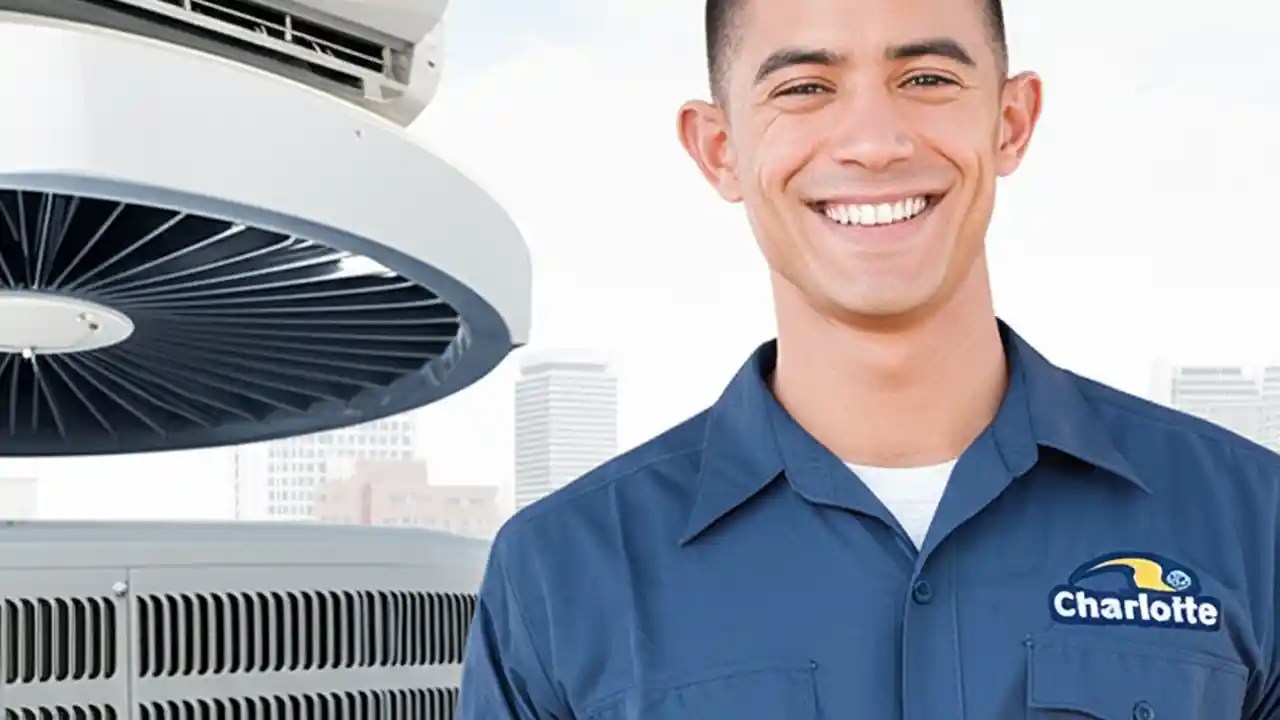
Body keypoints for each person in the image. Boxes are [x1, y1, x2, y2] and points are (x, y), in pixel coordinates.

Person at [457, 0, 1280, 716]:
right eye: (805, 88)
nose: (874, 143)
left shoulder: (1253, 525)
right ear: (719, 150)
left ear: (1011, 122)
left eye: (926, 78)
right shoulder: (562, 573)